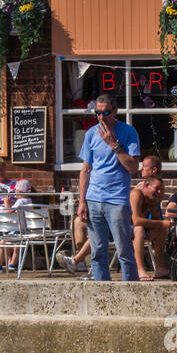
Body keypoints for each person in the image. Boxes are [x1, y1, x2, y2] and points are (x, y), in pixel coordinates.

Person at [76, 93, 141, 282]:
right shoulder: (91, 133)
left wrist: (114, 144)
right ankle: (102, 295)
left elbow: (133, 167)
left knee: (124, 252)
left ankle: (130, 294)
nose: (101, 117)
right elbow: (86, 169)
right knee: (97, 253)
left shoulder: (128, 132)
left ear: (115, 111)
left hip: (117, 200)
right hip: (94, 198)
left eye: (106, 113)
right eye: (97, 113)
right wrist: (82, 201)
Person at [132, 176, 169, 280]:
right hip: (123, 228)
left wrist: (157, 201)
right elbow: (136, 220)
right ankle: (140, 270)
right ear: (147, 186)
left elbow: (156, 219)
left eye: (161, 189)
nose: (159, 191)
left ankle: (160, 268)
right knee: (139, 229)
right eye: (157, 188)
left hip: (139, 229)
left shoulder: (152, 198)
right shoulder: (136, 194)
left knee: (161, 230)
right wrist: (161, 223)